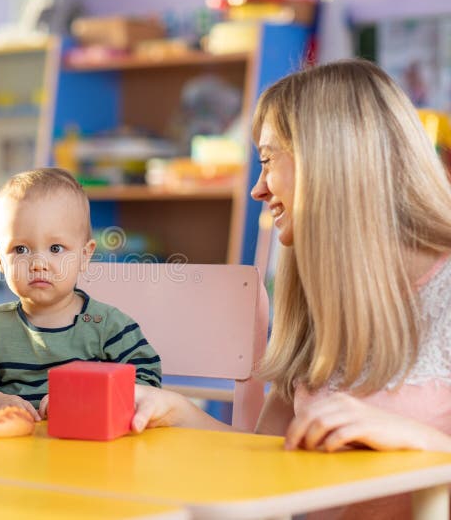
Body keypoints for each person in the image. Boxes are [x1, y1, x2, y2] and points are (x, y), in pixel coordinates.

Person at [132, 59, 451, 458]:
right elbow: (267, 458)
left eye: (267, 161)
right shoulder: (318, 295)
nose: (257, 190)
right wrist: (178, 412)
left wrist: (415, 437)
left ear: (329, 161)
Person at [0, 168, 162, 421]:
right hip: (17, 452)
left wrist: (87, 398)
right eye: (20, 249)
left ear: (84, 255)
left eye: (56, 248)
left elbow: (147, 381)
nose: (38, 263)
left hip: (87, 450)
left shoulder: (106, 324)